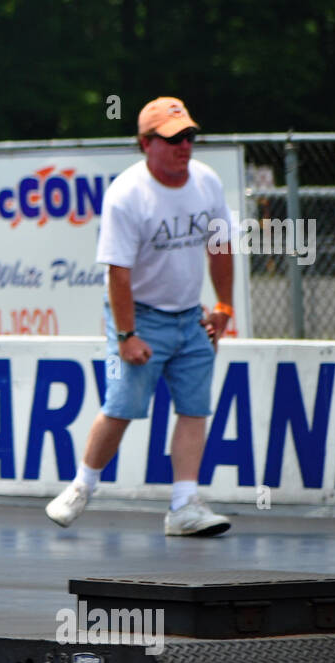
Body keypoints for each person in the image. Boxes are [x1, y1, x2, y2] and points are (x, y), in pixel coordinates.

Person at [45, 97, 234, 537]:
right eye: (172, 139)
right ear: (146, 143)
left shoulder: (207, 182)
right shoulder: (127, 195)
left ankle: (184, 505)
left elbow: (220, 246)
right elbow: (118, 274)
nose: (184, 146)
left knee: (194, 409)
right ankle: (82, 486)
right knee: (122, 407)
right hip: (140, 316)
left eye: (189, 136)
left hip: (191, 317)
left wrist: (224, 306)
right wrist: (127, 334)